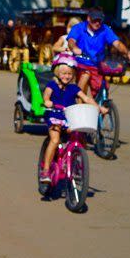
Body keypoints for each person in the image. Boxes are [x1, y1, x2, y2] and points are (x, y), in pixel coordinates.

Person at [40, 53, 107, 183]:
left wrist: (99, 108)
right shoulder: (51, 85)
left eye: (70, 74)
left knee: (77, 135)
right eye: (64, 73)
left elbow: (86, 98)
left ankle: (74, 162)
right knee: (55, 140)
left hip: (69, 116)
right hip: (54, 115)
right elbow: (46, 96)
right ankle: (46, 171)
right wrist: (47, 101)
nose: (67, 76)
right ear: (57, 73)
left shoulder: (73, 88)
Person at [67, 8, 130, 97]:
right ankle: (79, 102)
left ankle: (102, 106)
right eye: (94, 20)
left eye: (99, 20)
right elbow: (71, 41)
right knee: (83, 81)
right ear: (88, 18)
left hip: (97, 65)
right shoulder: (78, 28)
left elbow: (117, 43)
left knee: (102, 88)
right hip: (80, 63)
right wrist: (74, 48)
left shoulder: (105, 29)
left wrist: (128, 53)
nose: (97, 23)